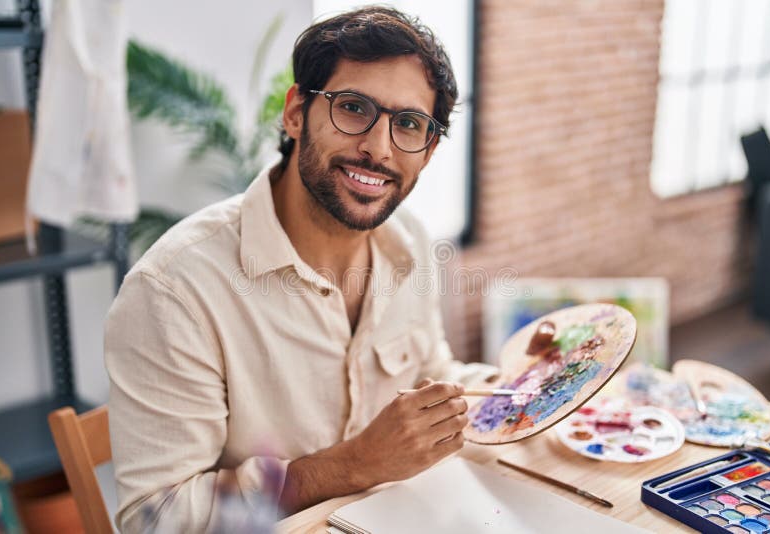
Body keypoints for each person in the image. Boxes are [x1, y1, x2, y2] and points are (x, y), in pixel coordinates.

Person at [105, 6, 496, 532]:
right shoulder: (174, 291)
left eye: (408, 124)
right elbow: (157, 519)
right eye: (353, 108)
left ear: (426, 153)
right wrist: (353, 465)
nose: (378, 149)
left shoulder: (411, 245)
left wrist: (532, 387)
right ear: (295, 112)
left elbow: (433, 378)